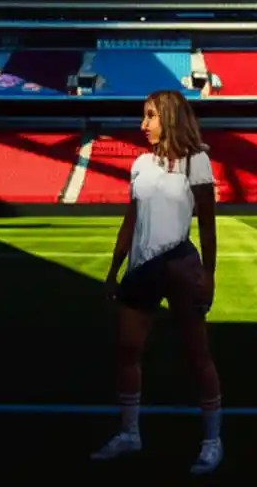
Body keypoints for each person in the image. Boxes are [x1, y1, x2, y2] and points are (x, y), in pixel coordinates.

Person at [91, 90, 222, 475]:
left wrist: (210, 275)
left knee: (198, 355)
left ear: (168, 117)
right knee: (128, 351)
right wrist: (114, 270)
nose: (142, 124)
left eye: (149, 116)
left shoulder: (197, 161)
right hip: (141, 268)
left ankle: (212, 441)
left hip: (180, 263)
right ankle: (130, 432)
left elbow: (209, 226)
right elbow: (131, 221)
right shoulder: (139, 164)